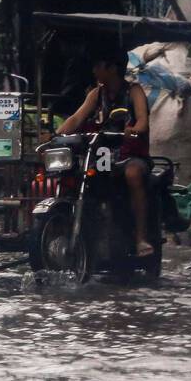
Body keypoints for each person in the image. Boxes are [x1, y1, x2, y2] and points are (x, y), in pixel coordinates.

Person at [56, 51, 153, 257]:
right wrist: (55, 136)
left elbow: (143, 120)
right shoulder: (96, 94)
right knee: (81, 174)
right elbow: (76, 118)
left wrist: (134, 129)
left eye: (98, 66)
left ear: (112, 68)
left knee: (133, 175)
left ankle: (140, 238)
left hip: (131, 154)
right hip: (102, 154)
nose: (94, 71)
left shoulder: (134, 91)